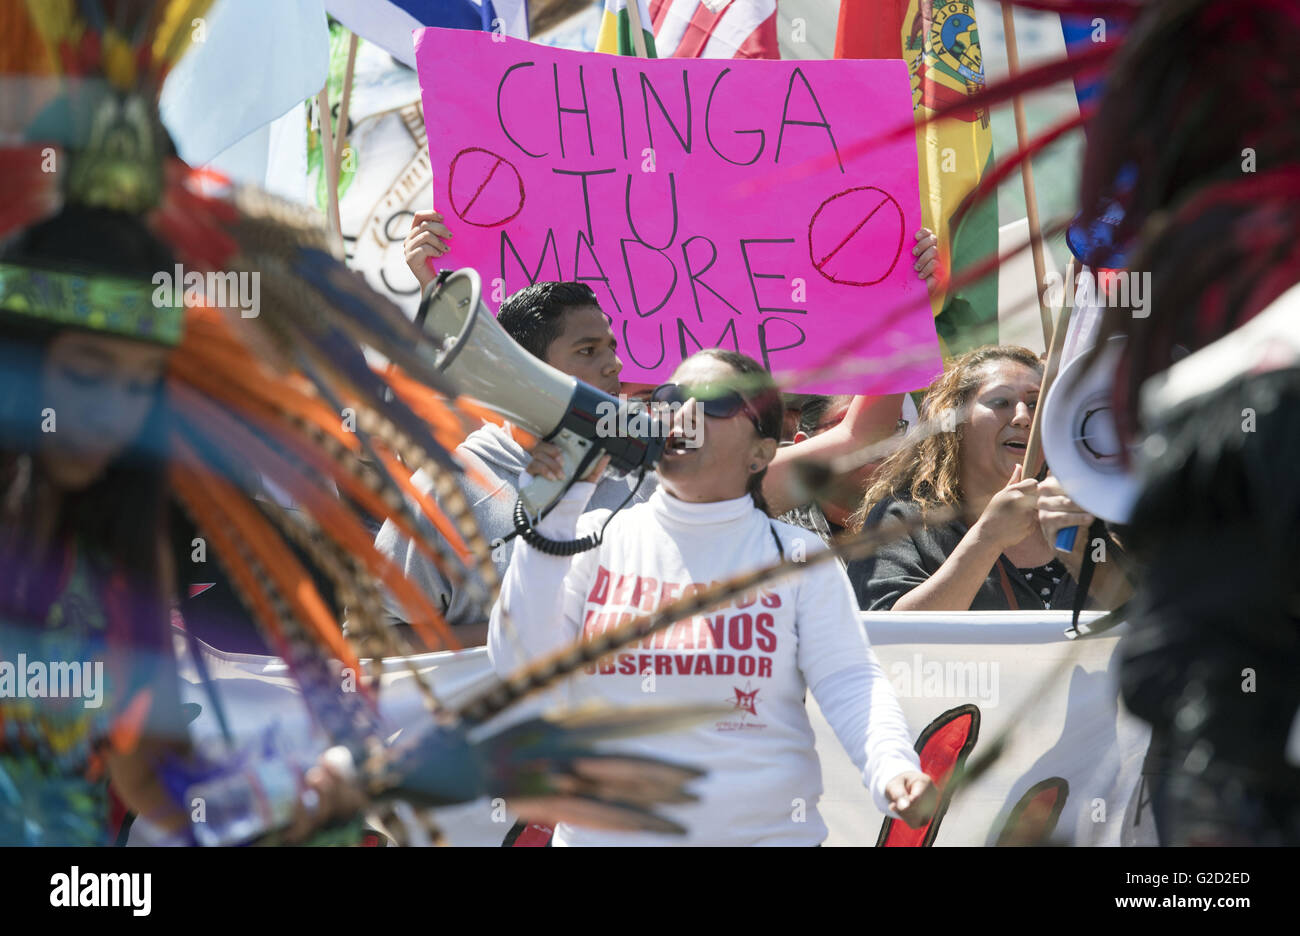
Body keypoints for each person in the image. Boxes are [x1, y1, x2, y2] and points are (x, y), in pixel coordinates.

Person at [487, 348, 937, 846]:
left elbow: (849, 679)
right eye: (670, 398)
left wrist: (892, 766)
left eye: (713, 403)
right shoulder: (591, 537)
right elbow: (519, 667)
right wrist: (551, 518)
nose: (683, 414)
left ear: (762, 453)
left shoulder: (795, 557)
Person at [373, 279, 658, 647]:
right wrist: (520, 638)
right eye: (588, 351)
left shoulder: (646, 480)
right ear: (526, 371)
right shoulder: (445, 489)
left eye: (611, 348)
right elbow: (371, 638)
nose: (614, 365)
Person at [846, 345, 1129, 613]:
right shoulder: (903, 519)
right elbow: (892, 638)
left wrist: (1080, 548)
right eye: (1000, 402)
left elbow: (1143, 620)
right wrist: (987, 539)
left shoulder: (1093, 511)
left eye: (1034, 403)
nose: (1022, 417)